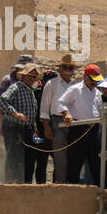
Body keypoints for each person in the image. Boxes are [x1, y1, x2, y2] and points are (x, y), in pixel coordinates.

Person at [58, 63, 105, 185]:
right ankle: (72, 189)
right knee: (75, 162)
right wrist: (67, 113)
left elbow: (99, 110)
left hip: (94, 130)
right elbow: (61, 102)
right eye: (92, 80)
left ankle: (97, 190)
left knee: (96, 162)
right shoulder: (75, 89)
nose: (94, 83)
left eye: (96, 81)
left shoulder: (97, 93)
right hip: (78, 129)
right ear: (85, 77)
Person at [0, 62, 40, 182]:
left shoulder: (30, 91)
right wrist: (15, 113)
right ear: (24, 76)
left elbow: (32, 111)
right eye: (31, 76)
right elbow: (1, 101)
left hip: (28, 130)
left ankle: (26, 185)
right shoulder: (15, 87)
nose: (33, 79)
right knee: (14, 160)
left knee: (29, 160)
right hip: (15, 129)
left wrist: (34, 126)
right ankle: (11, 185)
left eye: (35, 77)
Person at [39, 54, 76, 183]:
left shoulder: (75, 86)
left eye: (70, 68)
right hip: (57, 122)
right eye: (65, 67)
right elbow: (44, 107)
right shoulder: (52, 84)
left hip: (73, 123)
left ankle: (68, 184)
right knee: (60, 158)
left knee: (71, 157)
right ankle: (60, 185)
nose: (68, 70)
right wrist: (46, 126)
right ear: (60, 68)